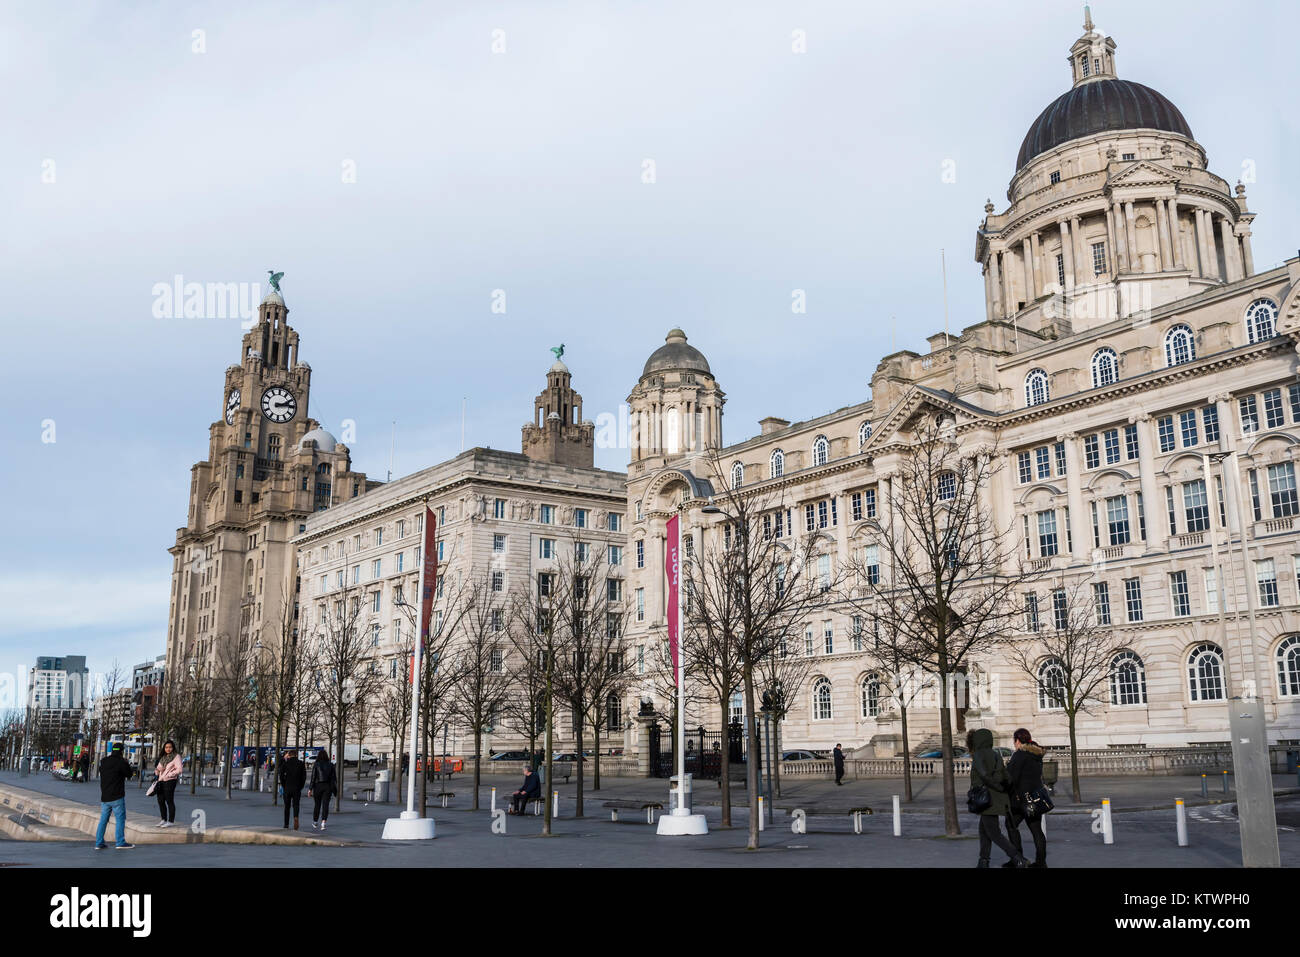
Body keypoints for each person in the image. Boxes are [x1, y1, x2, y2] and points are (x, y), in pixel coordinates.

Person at [968, 729, 1027, 868]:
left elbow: (984, 776)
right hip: (997, 798)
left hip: (987, 799)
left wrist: (997, 787)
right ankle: (983, 861)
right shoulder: (995, 754)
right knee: (983, 831)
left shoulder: (978, 755)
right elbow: (1006, 775)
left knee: (994, 833)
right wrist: (1004, 788)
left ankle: (1018, 858)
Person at [1005, 728, 1049, 868]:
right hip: (1035, 798)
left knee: (1011, 825)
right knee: (1036, 831)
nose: (1014, 744)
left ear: (1017, 740)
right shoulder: (1036, 754)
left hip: (1021, 800)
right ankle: (1041, 862)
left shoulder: (1020, 755)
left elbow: (1011, 778)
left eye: (1014, 741)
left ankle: (1018, 859)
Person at [94, 743, 135, 850]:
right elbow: (129, 774)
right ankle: (120, 842)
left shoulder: (104, 761)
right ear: (121, 751)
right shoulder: (121, 762)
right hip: (117, 796)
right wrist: (126, 763)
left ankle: (99, 843)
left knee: (103, 820)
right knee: (120, 819)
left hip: (105, 796)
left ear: (112, 750)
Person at [154, 740, 183, 827]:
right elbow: (158, 769)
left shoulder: (176, 756)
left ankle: (170, 821)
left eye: (170, 747)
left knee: (169, 800)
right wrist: (157, 771)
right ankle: (163, 819)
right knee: (160, 800)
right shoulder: (163, 757)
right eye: (166, 747)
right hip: (161, 781)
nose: (168, 749)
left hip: (170, 781)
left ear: (173, 747)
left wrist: (170, 775)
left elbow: (179, 769)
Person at [309, 748, 336, 830]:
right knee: (325, 805)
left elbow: (313, 777)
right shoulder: (331, 765)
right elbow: (334, 778)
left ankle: (315, 821)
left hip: (318, 786)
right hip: (327, 786)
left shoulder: (316, 764)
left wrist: (310, 789)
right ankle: (323, 822)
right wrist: (334, 789)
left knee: (317, 805)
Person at [278, 749, 306, 829]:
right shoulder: (301, 764)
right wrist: (300, 786)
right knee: (296, 805)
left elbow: (281, 776)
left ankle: (286, 824)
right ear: (296, 755)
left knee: (287, 806)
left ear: (289, 755)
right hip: (297, 787)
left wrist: (284, 785)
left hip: (287, 787)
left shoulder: (285, 764)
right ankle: (296, 817)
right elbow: (303, 777)